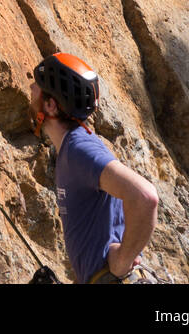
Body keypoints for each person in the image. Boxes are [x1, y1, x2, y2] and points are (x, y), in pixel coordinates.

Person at [31, 51, 159, 284]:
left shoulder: (80, 149)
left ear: (50, 105)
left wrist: (122, 261)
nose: (30, 89)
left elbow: (145, 197)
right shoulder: (71, 150)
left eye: (37, 87)